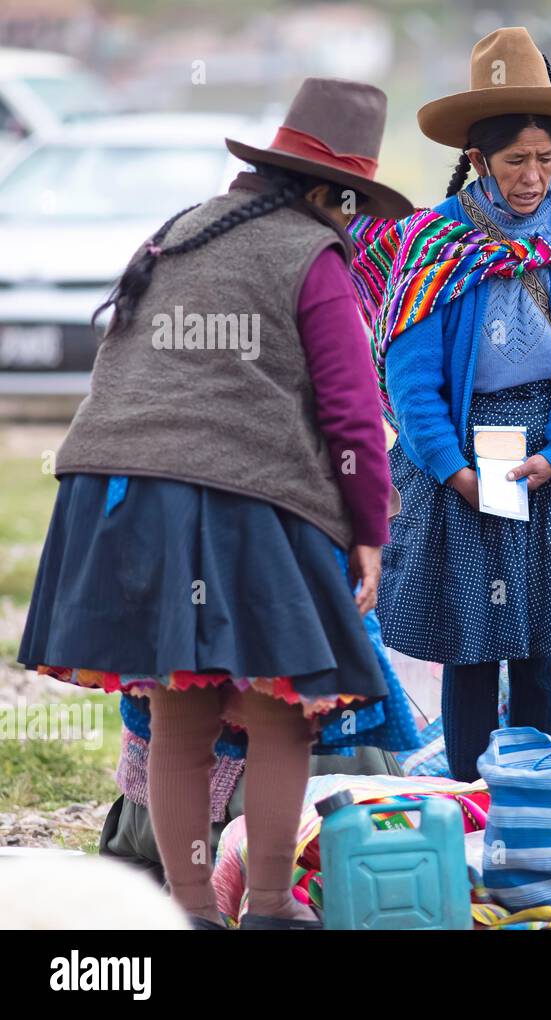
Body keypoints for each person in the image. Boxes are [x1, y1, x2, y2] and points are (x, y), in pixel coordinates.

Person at [19, 78, 415, 929]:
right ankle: (269, 907)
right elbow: (351, 411)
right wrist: (369, 532)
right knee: (283, 718)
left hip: (119, 497)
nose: (353, 225)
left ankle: (191, 911)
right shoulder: (312, 258)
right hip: (244, 503)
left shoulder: (176, 233)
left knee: (180, 721)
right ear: (326, 193)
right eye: (351, 206)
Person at [348, 28, 551, 782]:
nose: (533, 178)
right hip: (469, 447)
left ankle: (533, 793)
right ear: (476, 161)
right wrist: (451, 467)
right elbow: (409, 370)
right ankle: (470, 792)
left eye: (545, 160)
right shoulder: (437, 239)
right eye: (515, 162)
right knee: (474, 637)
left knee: (544, 633)